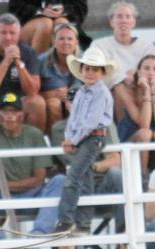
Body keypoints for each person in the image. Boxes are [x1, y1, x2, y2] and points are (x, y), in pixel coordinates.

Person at [0, 92, 63, 232]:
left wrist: (0, 184)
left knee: (60, 180)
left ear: (22, 114)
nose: (9, 116)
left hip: (31, 196)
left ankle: (39, 233)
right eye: (5, 111)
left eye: (14, 111)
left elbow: (38, 179)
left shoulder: (34, 135)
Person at [52, 47, 116, 235]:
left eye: (95, 69)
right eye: (87, 69)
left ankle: (65, 221)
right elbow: (74, 118)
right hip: (85, 138)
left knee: (73, 177)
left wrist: (72, 140)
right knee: (85, 179)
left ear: (102, 73)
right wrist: (69, 138)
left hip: (94, 137)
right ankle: (84, 224)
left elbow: (91, 122)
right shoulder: (81, 92)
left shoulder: (101, 93)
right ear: (81, 70)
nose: (90, 73)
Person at [50, 90, 125, 232]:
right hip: (76, 187)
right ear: (66, 104)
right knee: (68, 179)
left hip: (102, 186)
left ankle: (124, 236)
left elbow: (115, 160)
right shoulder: (58, 129)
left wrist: (92, 167)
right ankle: (75, 234)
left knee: (117, 175)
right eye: (72, 101)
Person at [0, 13, 46, 130]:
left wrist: (18, 62)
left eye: (12, 33)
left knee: (37, 102)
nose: (8, 38)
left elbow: (33, 91)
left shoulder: (29, 53)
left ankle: (33, 140)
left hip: (17, 101)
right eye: (3, 33)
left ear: (19, 35)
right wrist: (6, 62)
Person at [88, 2, 155, 119]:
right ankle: (125, 127)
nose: (123, 20)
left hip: (141, 89)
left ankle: (141, 125)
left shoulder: (146, 46)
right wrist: (123, 78)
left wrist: (137, 76)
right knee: (119, 88)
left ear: (134, 21)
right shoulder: (99, 45)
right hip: (110, 93)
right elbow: (94, 73)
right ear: (111, 21)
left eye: (128, 16)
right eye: (119, 16)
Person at [115, 54, 155, 175]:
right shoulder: (124, 89)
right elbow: (144, 124)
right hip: (134, 140)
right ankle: (142, 177)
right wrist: (147, 91)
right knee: (145, 133)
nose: (151, 72)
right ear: (138, 72)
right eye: (146, 68)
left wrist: (154, 93)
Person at [38, 22, 81, 132]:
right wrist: (49, 94)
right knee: (54, 104)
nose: (66, 42)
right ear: (54, 41)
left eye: (70, 39)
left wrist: (70, 95)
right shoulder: (41, 61)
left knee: (77, 103)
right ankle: (55, 138)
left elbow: (90, 86)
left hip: (75, 100)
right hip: (50, 103)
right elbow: (30, 90)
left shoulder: (83, 61)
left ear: (76, 42)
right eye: (61, 38)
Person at [8, 0, 91, 54]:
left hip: (62, 19)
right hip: (27, 25)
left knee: (63, 25)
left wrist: (64, 10)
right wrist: (41, 11)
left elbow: (80, 8)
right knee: (45, 25)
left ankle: (65, 74)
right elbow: (16, 7)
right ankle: (35, 72)